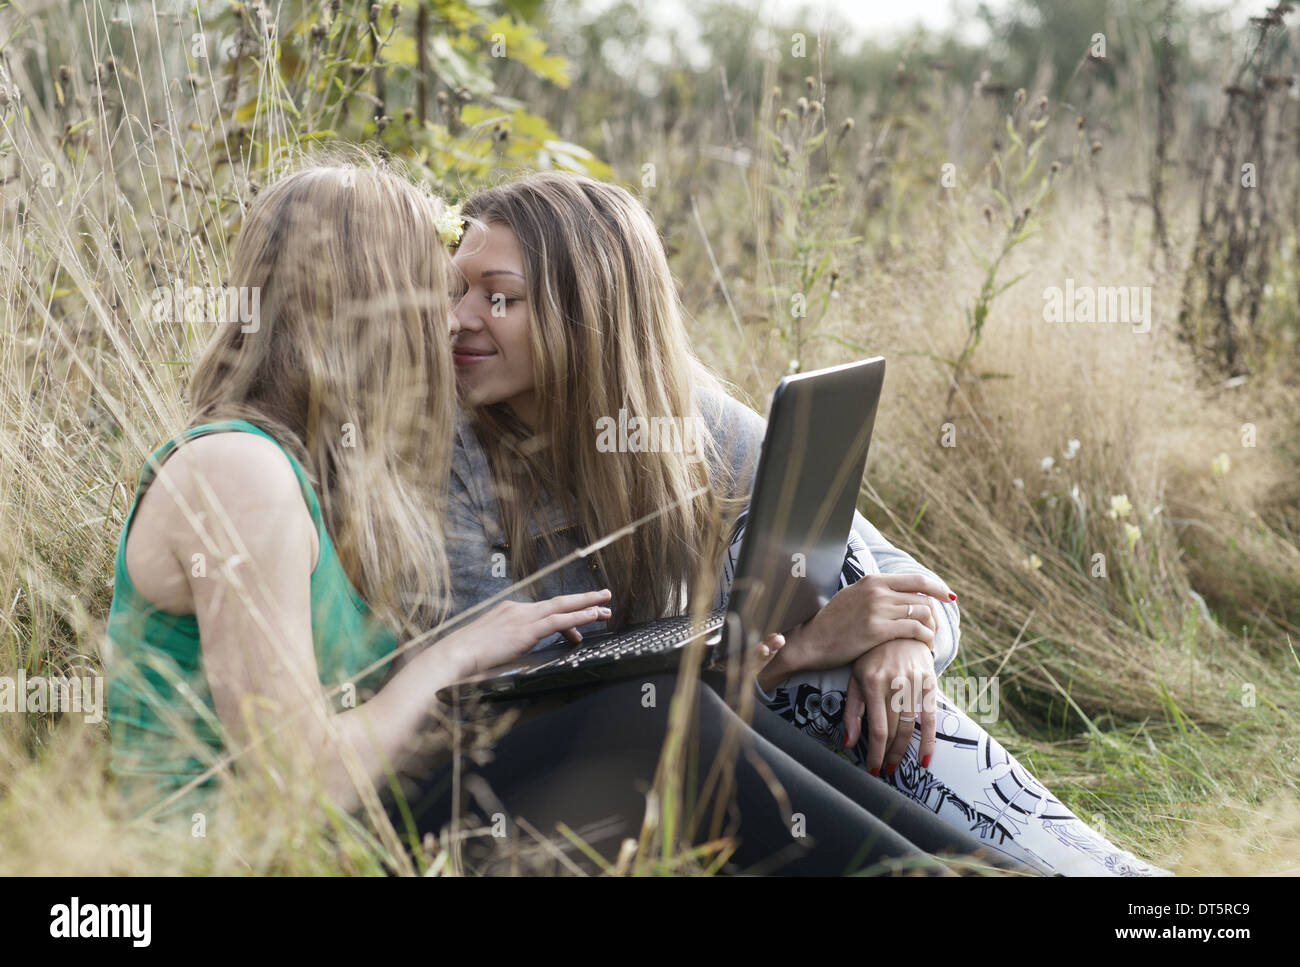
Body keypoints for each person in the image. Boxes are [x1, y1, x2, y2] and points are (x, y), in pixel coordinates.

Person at [103, 158, 1010, 877]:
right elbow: (298, 786)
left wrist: (802, 652)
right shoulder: (239, 474)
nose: (449, 319)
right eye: (432, 287)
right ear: (357, 301)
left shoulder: (297, 468)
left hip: (348, 825)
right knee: (649, 724)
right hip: (242, 855)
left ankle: (986, 869)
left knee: (666, 710)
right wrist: (454, 655)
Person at [442, 171, 1173, 876]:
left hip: (724, 737)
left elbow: (905, 580)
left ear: (591, 314)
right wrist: (782, 661)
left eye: (497, 297)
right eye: (457, 290)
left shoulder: (688, 423)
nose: (458, 319)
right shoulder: (456, 460)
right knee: (812, 661)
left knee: (833, 623)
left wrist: (904, 646)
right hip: (563, 787)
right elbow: (511, 706)